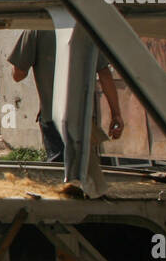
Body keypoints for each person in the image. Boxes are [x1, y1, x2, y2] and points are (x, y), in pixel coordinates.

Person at [7, 30, 125, 162]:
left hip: (53, 118)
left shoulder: (36, 29)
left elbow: (18, 75)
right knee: (86, 168)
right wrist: (116, 114)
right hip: (83, 117)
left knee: (59, 171)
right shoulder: (84, 26)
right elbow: (104, 74)